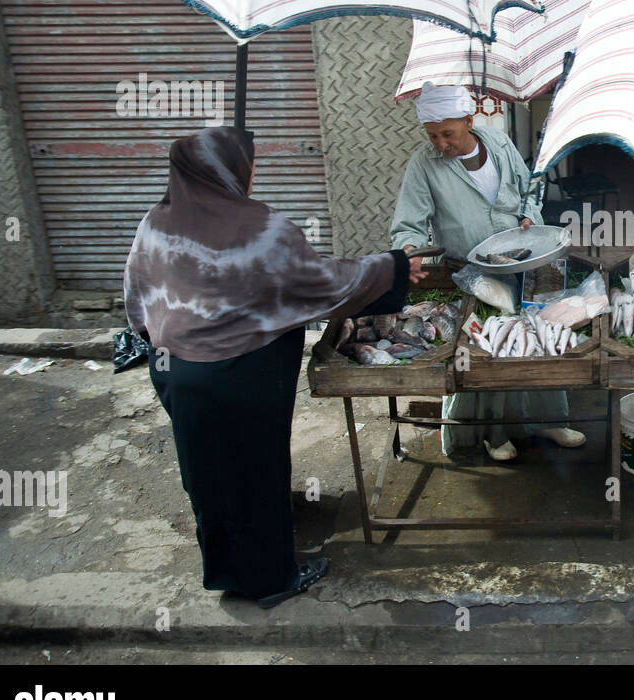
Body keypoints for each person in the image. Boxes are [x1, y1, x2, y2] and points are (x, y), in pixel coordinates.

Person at [124, 126, 419, 609]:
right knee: (256, 474)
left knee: (211, 479)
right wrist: (391, 267)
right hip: (243, 378)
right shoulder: (262, 229)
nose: (254, 171)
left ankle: (227, 572)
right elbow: (321, 284)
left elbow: (136, 302)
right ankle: (272, 578)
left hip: (178, 374)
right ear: (231, 171)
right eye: (249, 163)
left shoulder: (154, 224)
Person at [390, 83, 586, 461]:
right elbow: (409, 224)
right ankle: (492, 434)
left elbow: (531, 185)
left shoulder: (497, 143)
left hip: (527, 259)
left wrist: (530, 211)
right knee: (490, 350)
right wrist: (409, 251)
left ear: (469, 121)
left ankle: (550, 420)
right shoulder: (424, 165)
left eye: (448, 133)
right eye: (432, 135)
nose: (440, 143)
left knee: (541, 338)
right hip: (472, 271)